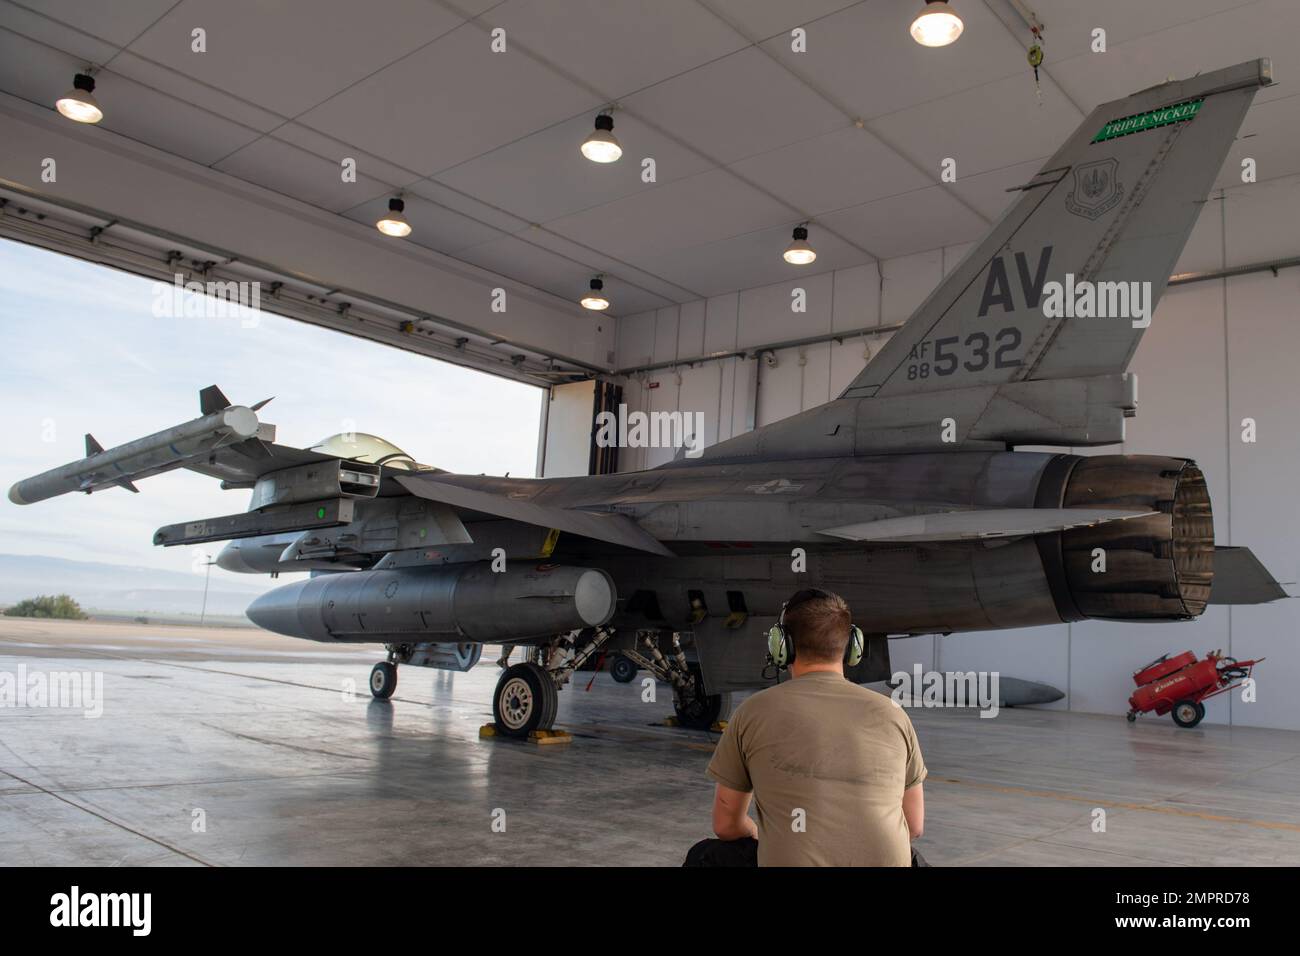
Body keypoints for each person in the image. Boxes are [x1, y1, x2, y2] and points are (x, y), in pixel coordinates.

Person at [686, 588, 927, 867]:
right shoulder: (894, 714)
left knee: (705, 856)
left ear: (782, 646)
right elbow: (914, 825)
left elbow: (726, 825)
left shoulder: (752, 712)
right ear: (852, 647)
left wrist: (761, 837)